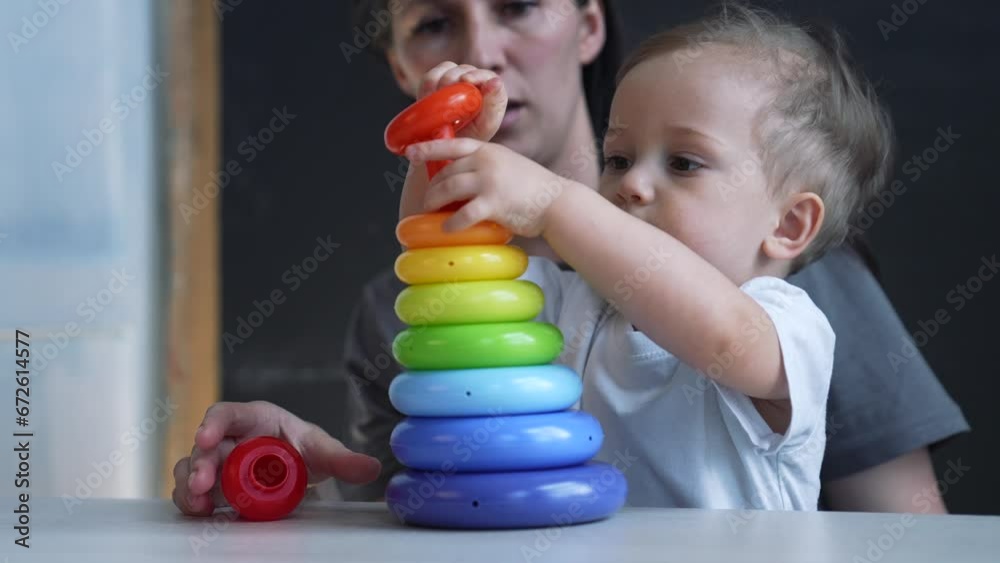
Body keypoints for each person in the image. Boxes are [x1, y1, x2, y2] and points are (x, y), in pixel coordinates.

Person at [168, 0, 967, 516]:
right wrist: (437, 150)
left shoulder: (787, 318)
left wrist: (556, 204)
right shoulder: (566, 299)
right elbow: (439, 265)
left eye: (683, 164)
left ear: (789, 228)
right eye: (620, 160)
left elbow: (724, 339)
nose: (635, 187)